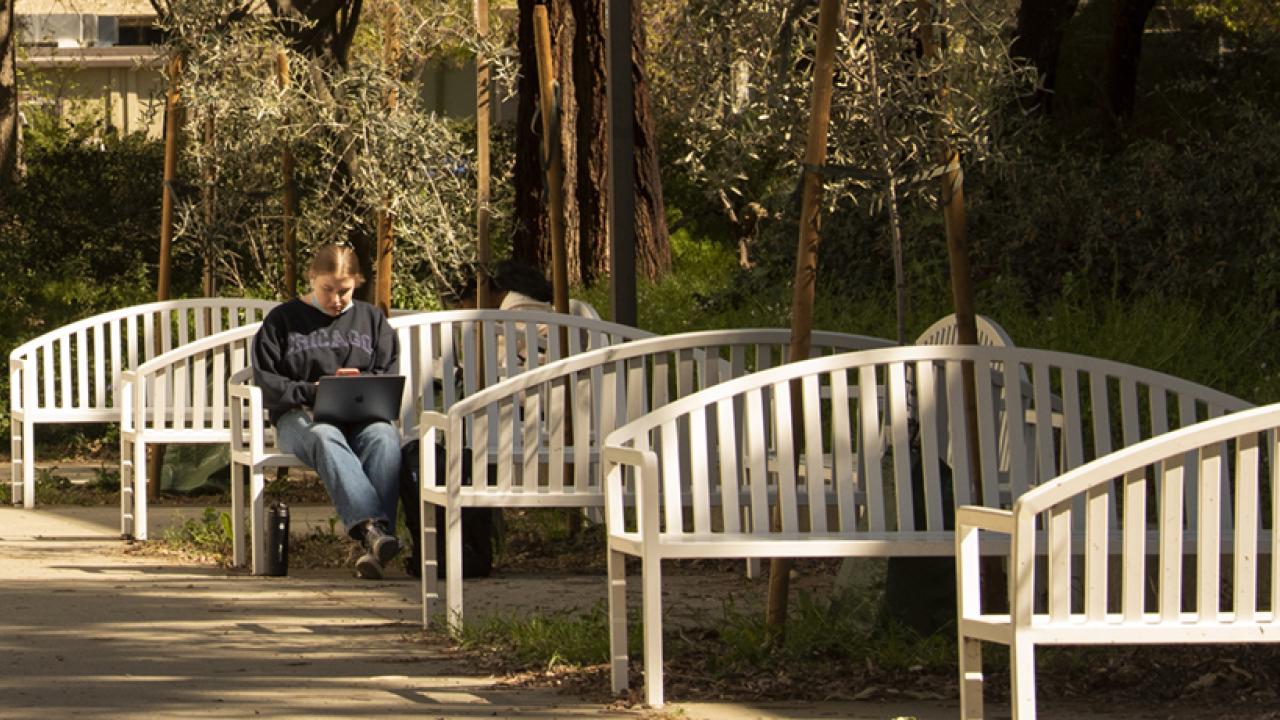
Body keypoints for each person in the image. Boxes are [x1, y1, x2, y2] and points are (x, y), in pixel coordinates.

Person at [253, 244, 403, 580]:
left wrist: (360, 388)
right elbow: (267, 383)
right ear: (311, 278)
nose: (336, 299)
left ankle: (372, 547)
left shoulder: (372, 320)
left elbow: (387, 373)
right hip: (300, 416)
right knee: (324, 434)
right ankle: (372, 531)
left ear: (358, 282)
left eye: (345, 291)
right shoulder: (283, 320)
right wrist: (311, 392)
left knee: (385, 436)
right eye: (327, 290)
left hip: (361, 417)